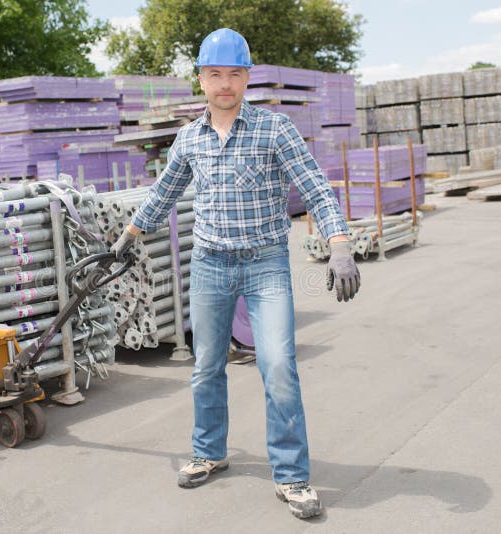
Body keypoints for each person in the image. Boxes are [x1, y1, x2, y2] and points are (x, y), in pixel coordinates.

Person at [111, 27, 360, 520]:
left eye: (234, 74)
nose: (224, 83)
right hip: (209, 266)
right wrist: (129, 236)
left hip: (266, 265)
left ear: (247, 79)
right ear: (201, 80)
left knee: (278, 366)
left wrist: (340, 243)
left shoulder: (274, 129)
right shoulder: (189, 138)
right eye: (214, 74)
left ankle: (292, 477)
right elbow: (162, 194)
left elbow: (314, 187)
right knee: (205, 367)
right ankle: (209, 452)